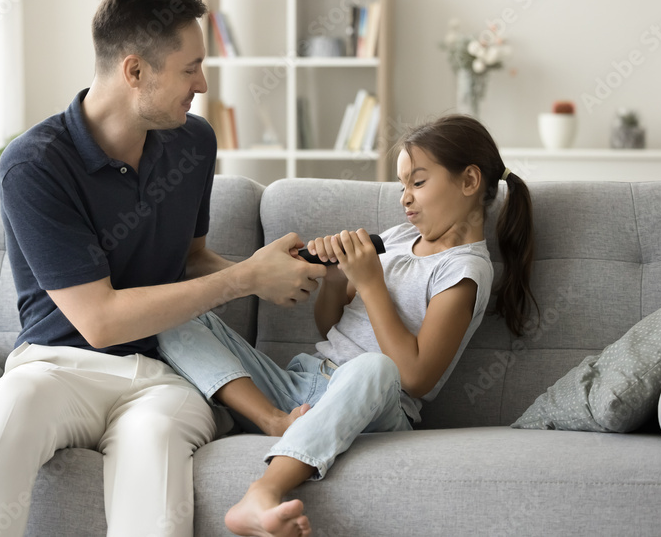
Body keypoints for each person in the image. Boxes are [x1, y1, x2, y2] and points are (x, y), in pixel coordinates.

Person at [0, 0, 328, 537]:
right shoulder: (35, 165)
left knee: (155, 437)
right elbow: (98, 321)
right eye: (191, 68)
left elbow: (190, 258)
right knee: (13, 402)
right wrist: (244, 278)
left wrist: (265, 274)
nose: (201, 83)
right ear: (135, 70)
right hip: (58, 366)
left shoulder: (193, 142)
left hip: (163, 374)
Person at [156, 114, 538, 537]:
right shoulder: (395, 239)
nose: (405, 199)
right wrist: (337, 279)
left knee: (377, 368)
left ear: (469, 181)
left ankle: (264, 491)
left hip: (377, 403)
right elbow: (330, 327)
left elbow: (414, 376)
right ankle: (272, 421)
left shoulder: (463, 271)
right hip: (302, 388)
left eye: (418, 182)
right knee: (174, 312)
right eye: (402, 186)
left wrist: (372, 282)